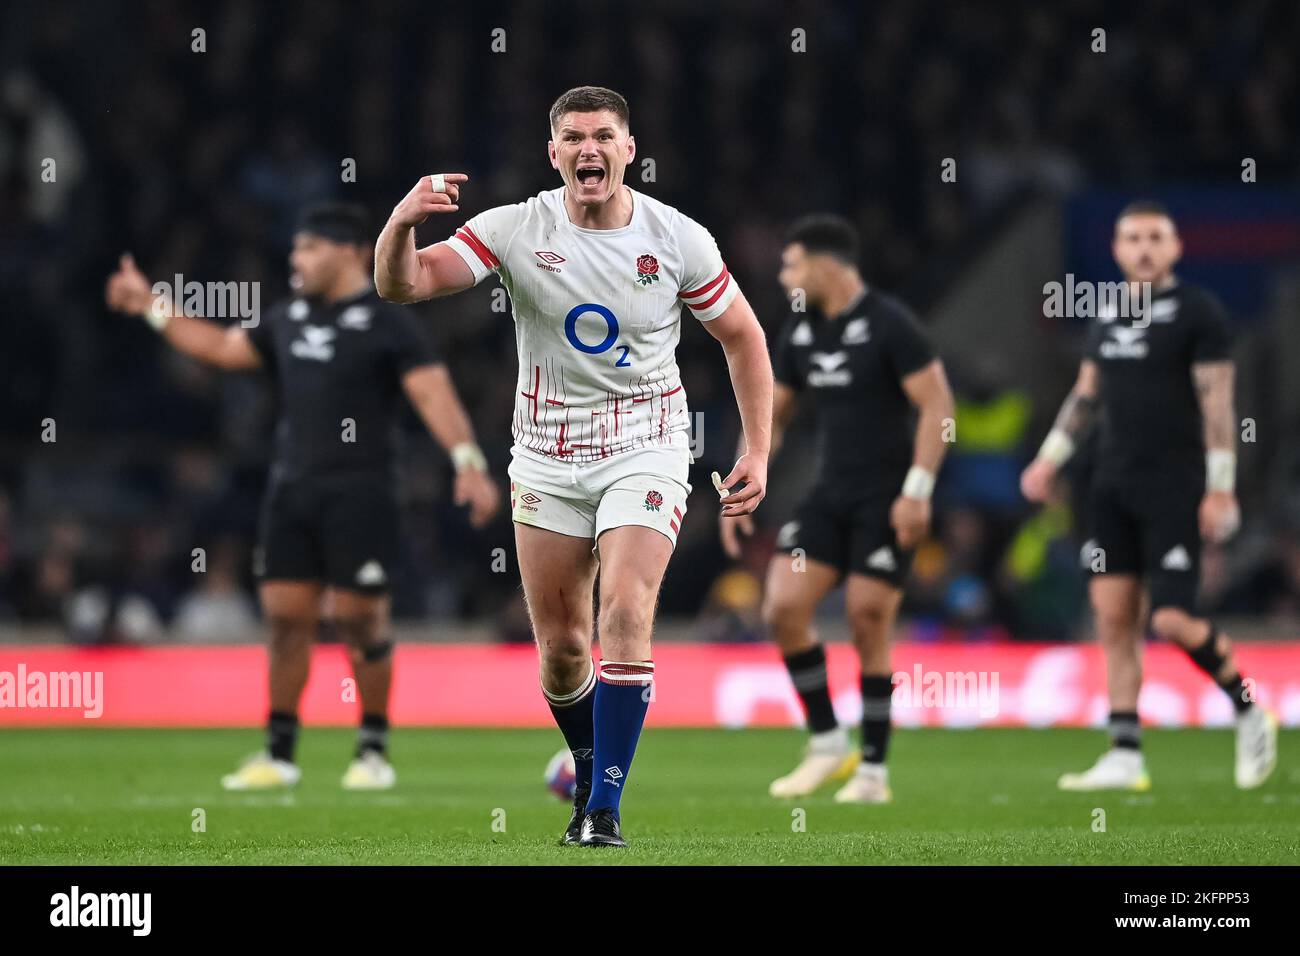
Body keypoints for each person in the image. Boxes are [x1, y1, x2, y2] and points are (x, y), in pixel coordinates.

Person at [374, 86, 773, 847]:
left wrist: (755, 448)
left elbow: (744, 339)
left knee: (623, 610)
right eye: (573, 137)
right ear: (553, 154)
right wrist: (399, 223)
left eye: (603, 135)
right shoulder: (516, 228)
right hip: (548, 458)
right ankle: (589, 773)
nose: (589, 148)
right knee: (561, 652)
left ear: (628, 149)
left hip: (648, 446)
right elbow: (403, 285)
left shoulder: (677, 238)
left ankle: (603, 810)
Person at [105, 202, 499, 791]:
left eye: (308, 248)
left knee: (358, 617)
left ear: (349, 252)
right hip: (293, 488)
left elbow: (432, 394)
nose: (296, 259)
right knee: (287, 619)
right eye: (294, 249)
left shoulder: (390, 321)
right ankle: (280, 753)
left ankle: (372, 750)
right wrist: (150, 309)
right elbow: (221, 349)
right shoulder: (286, 318)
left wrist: (467, 463)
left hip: (363, 491)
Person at [1021, 200, 1278, 791]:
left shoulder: (1199, 313)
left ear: (1175, 248)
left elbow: (1218, 404)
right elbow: (1086, 396)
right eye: (1132, 238)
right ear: (1115, 250)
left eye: (1155, 238)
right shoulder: (1107, 314)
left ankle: (1246, 706)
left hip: (1174, 484)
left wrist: (1220, 488)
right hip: (1110, 485)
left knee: (1171, 619)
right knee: (1114, 620)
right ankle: (1125, 753)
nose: (1143, 248)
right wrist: (1049, 459)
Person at [722, 214, 954, 803]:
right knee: (782, 607)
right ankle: (827, 740)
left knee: (867, 615)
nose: (783, 275)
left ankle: (874, 770)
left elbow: (937, 407)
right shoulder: (800, 333)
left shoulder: (891, 324)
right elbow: (772, 412)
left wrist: (918, 490)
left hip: (888, 497)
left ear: (826, 266)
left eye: (791, 263)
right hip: (830, 496)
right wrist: (745, 472)